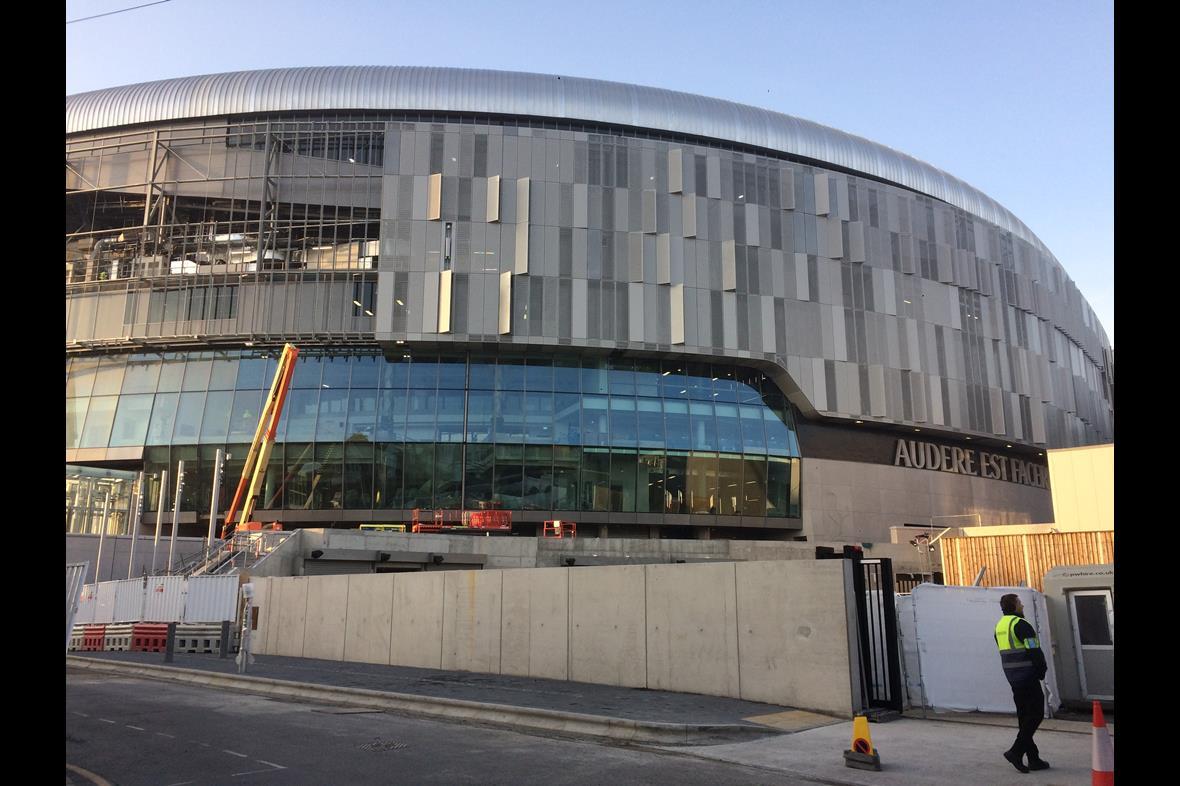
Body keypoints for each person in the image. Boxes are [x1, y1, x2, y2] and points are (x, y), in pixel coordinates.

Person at [994, 593, 1050, 773]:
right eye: (1019, 603)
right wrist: (1041, 670)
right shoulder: (1021, 625)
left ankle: (1033, 758)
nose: (1022, 606)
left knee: (1024, 718)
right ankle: (1016, 752)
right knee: (1036, 714)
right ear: (1014, 605)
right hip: (1028, 676)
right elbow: (1034, 650)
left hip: (1013, 678)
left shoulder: (1000, 626)